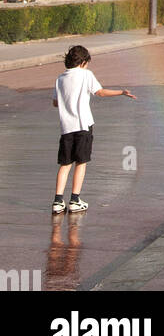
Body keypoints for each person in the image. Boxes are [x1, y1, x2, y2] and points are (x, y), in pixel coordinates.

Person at [51, 45, 136, 214]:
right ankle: (75, 200)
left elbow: (55, 102)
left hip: (66, 128)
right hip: (83, 126)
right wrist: (121, 92)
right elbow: (100, 92)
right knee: (81, 163)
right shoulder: (86, 75)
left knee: (65, 164)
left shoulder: (60, 78)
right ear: (83, 62)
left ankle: (58, 201)